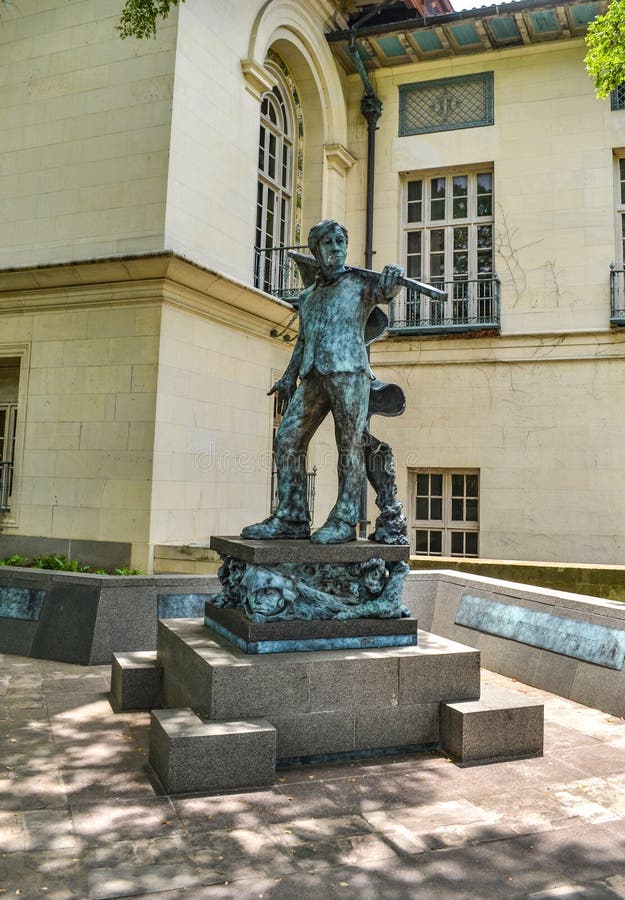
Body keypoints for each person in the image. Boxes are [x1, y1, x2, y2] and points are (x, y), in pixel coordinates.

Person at [241, 220, 403, 544]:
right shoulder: (307, 296)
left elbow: (385, 291)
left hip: (349, 372)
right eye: (328, 243)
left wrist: (393, 279)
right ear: (316, 250)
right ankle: (291, 516)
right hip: (313, 374)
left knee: (350, 444)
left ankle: (344, 519)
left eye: (340, 242)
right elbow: (303, 339)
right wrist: (289, 376)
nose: (336, 248)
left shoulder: (360, 284)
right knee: (287, 438)